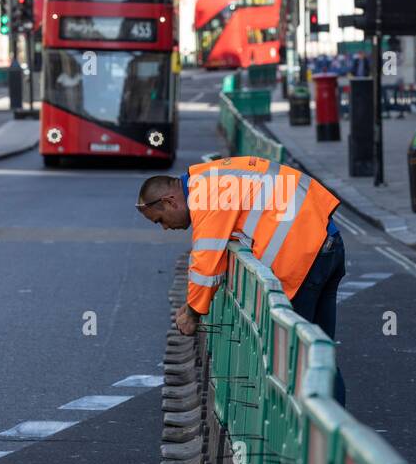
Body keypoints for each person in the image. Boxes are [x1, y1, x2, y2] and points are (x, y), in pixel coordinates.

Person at [137, 157, 347, 406]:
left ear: (169, 201)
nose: (164, 228)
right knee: (320, 352)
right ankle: (332, 426)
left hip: (305, 254)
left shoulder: (204, 194)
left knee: (295, 358)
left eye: (159, 220)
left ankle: (309, 437)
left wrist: (193, 312)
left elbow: (206, 260)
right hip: (328, 241)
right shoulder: (211, 177)